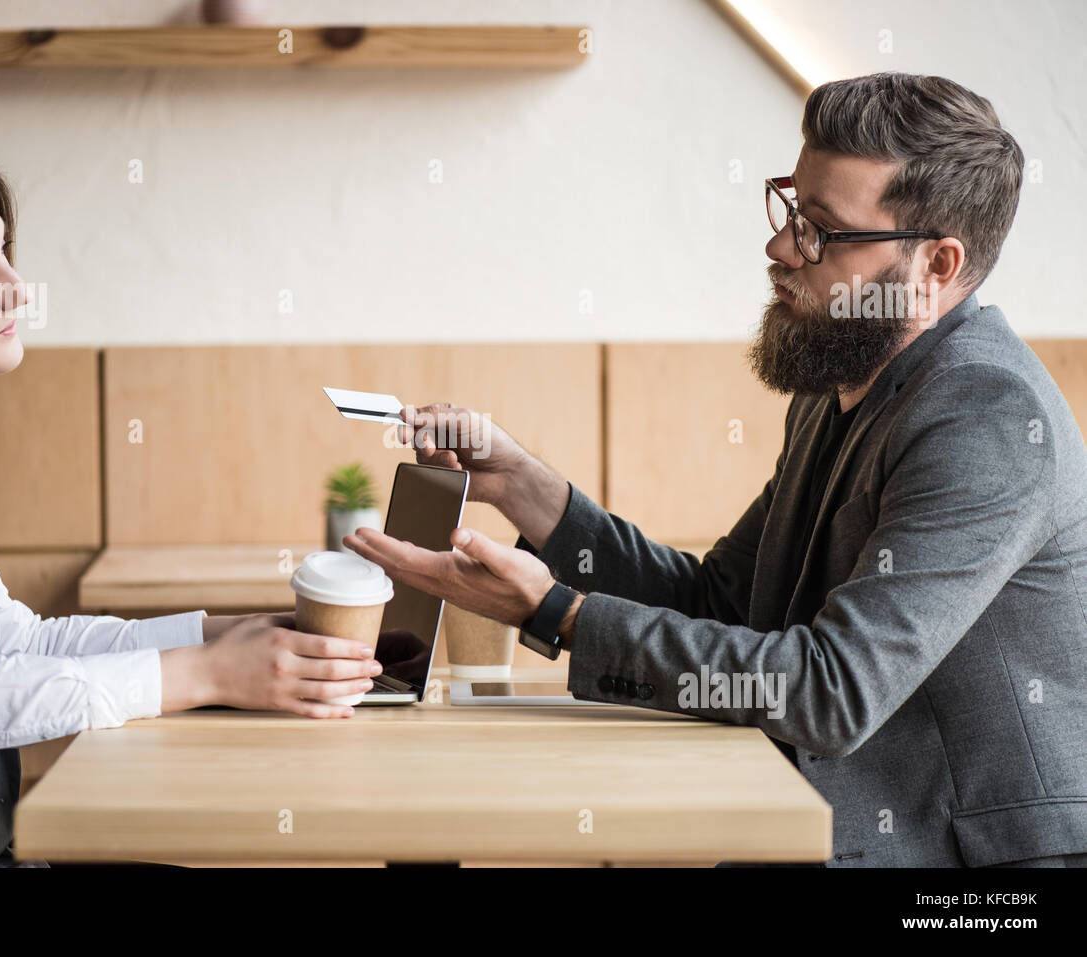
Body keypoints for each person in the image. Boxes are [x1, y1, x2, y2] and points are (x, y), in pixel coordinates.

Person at [345, 73, 1087, 868]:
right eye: (789, 208)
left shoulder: (989, 416)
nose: (779, 248)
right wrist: (529, 490)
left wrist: (560, 613)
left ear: (937, 266)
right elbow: (723, 601)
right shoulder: (842, 380)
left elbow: (830, 691)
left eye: (820, 231)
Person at [0, 147, 382, 867]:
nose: (21, 289)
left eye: (7, 258)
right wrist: (206, 676)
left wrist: (219, 637)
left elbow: (14, 640)